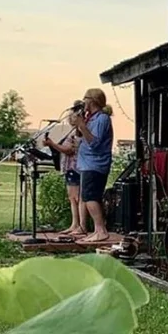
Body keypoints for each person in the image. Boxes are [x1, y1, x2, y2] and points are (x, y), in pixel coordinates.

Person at [70, 88, 114, 244]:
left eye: (85, 98)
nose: (83, 101)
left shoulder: (102, 119)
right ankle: (97, 230)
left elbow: (95, 143)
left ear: (93, 100)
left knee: (90, 197)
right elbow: (81, 136)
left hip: (95, 164)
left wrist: (82, 125)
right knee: (89, 196)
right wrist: (78, 124)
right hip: (87, 164)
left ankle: (101, 230)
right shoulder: (91, 118)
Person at [43, 126, 85, 235]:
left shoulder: (78, 135)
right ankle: (74, 224)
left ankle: (81, 225)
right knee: (72, 198)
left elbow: (68, 150)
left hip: (75, 168)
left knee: (78, 198)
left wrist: (52, 144)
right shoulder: (71, 133)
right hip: (69, 168)